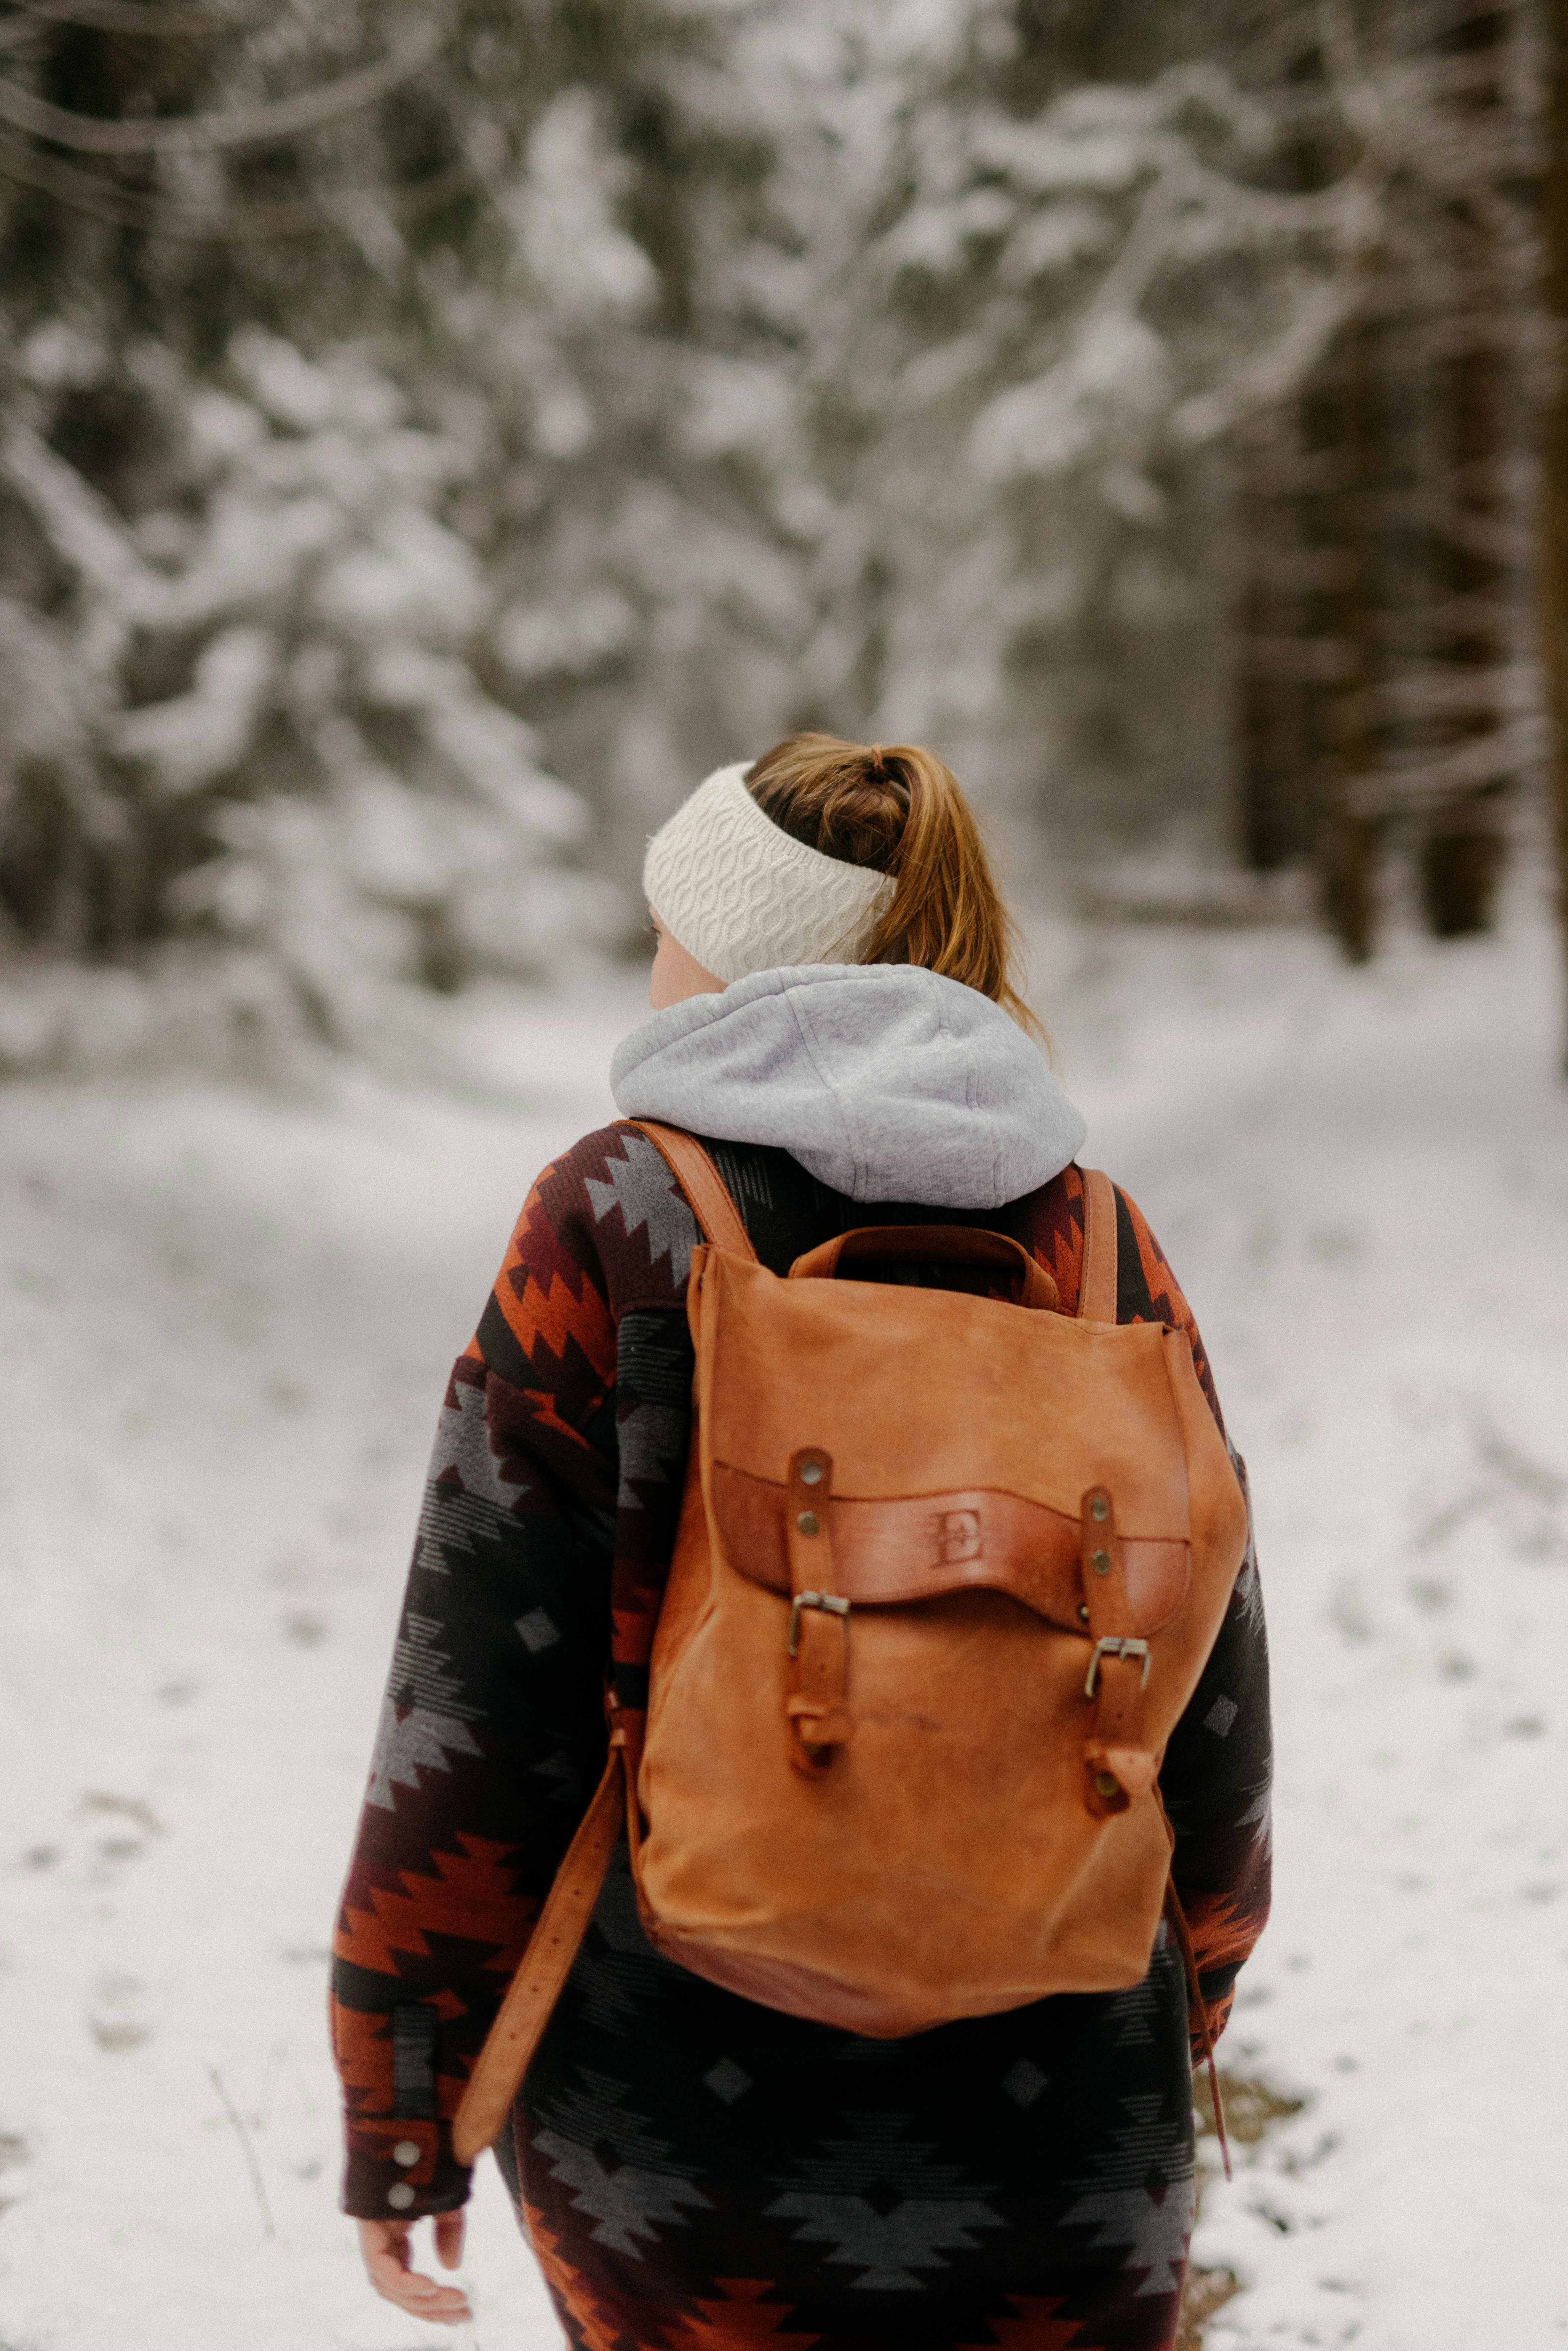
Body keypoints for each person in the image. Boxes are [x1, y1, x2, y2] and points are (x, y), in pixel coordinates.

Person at [332, 733, 1272, 2350]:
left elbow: (481, 1691)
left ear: (728, 947)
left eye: (666, 921)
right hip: (1068, 2113)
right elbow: (1217, 1688)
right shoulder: (1101, 1240)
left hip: (678, 2120)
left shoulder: (618, 1215)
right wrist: (1192, 1991)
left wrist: (405, 2091)